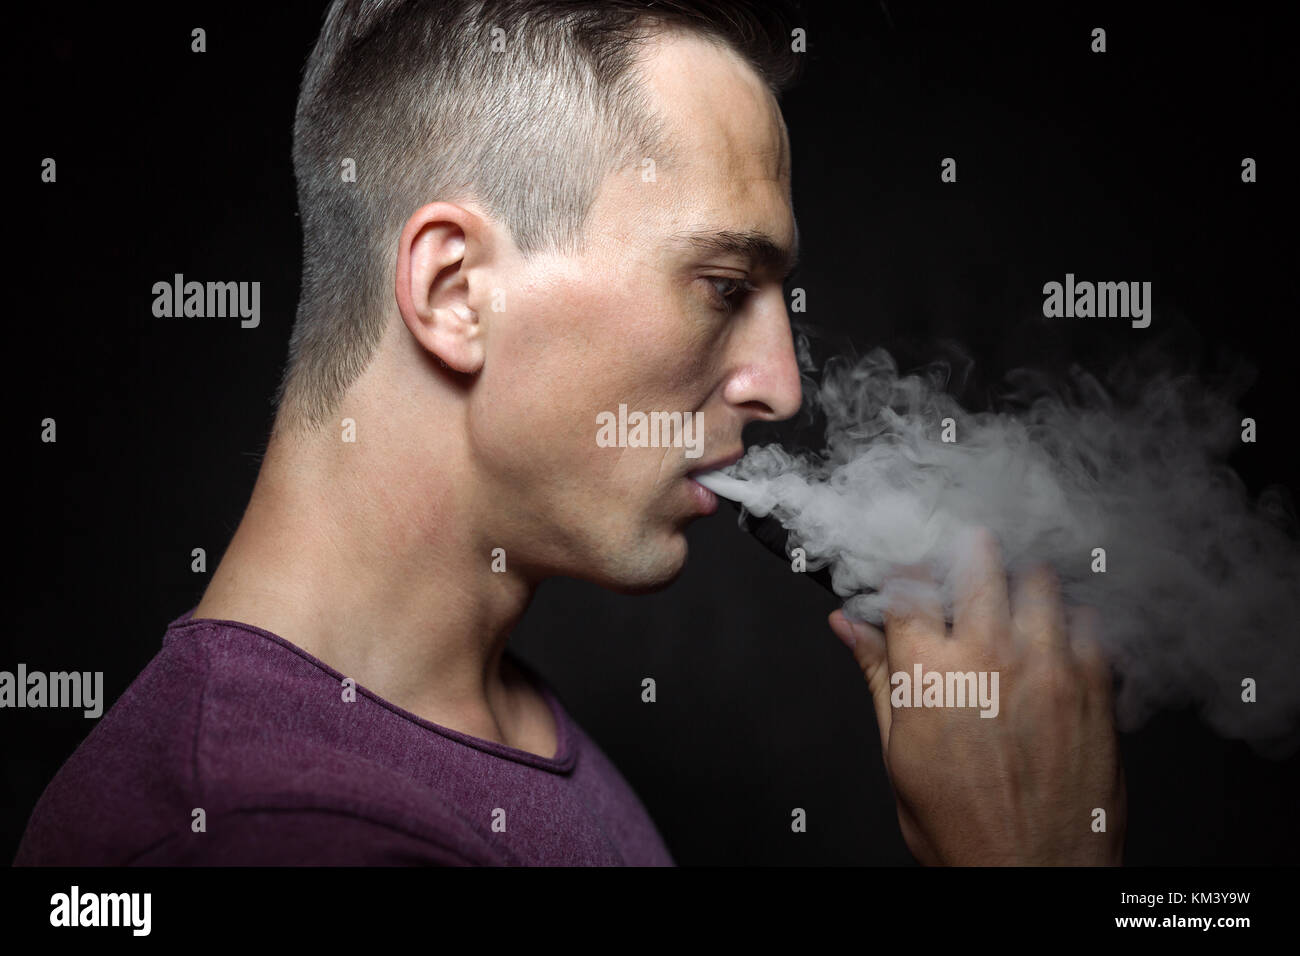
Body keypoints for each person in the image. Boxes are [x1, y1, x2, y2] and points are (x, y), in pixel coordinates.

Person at [16, 0, 1124, 866]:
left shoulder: (494, 715)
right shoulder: (263, 828)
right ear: (455, 289)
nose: (779, 384)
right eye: (723, 282)